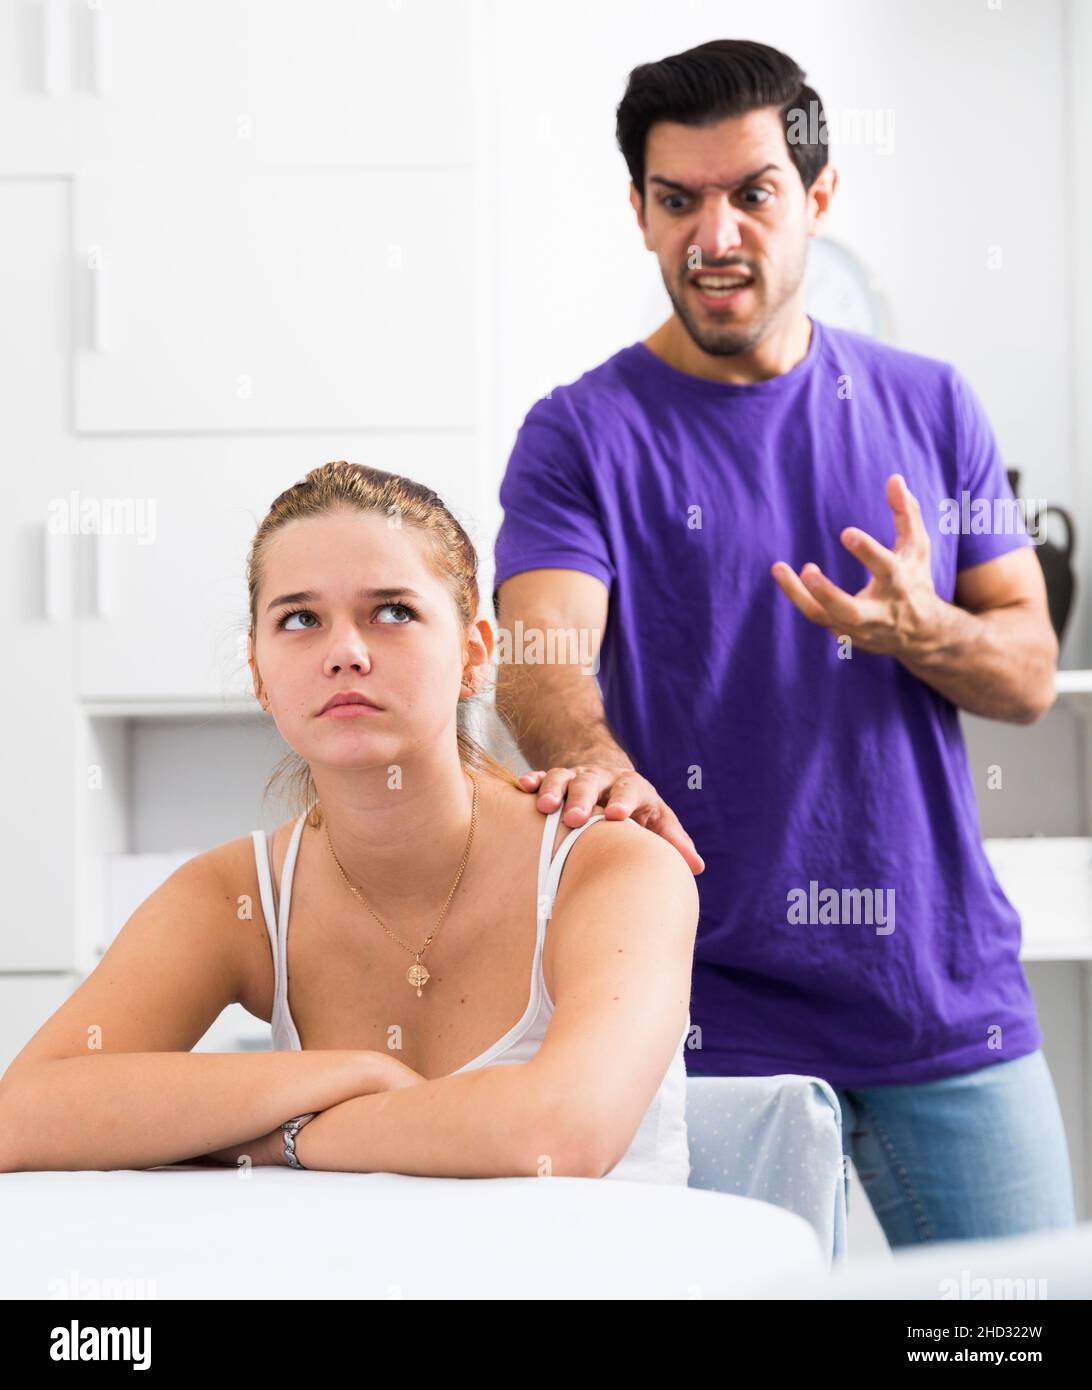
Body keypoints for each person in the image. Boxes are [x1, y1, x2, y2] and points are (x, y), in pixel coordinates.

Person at [492, 38, 1076, 1244]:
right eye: (678, 199)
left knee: (1016, 1333)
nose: (715, 235)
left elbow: (1025, 672)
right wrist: (595, 762)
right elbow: (541, 657)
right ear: (641, 215)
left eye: (751, 192)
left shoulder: (933, 404)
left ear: (816, 199)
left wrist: (925, 629)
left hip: (941, 1002)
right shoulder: (577, 436)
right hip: (703, 1022)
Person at [0, 461, 696, 1183]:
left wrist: (282, 1140)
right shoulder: (239, 895)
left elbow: (564, 1134)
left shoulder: (614, 862)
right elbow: (22, 1118)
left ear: (473, 654)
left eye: (392, 611)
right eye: (300, 618)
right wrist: (354, 1072)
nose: (346, 654)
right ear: (260, 675)